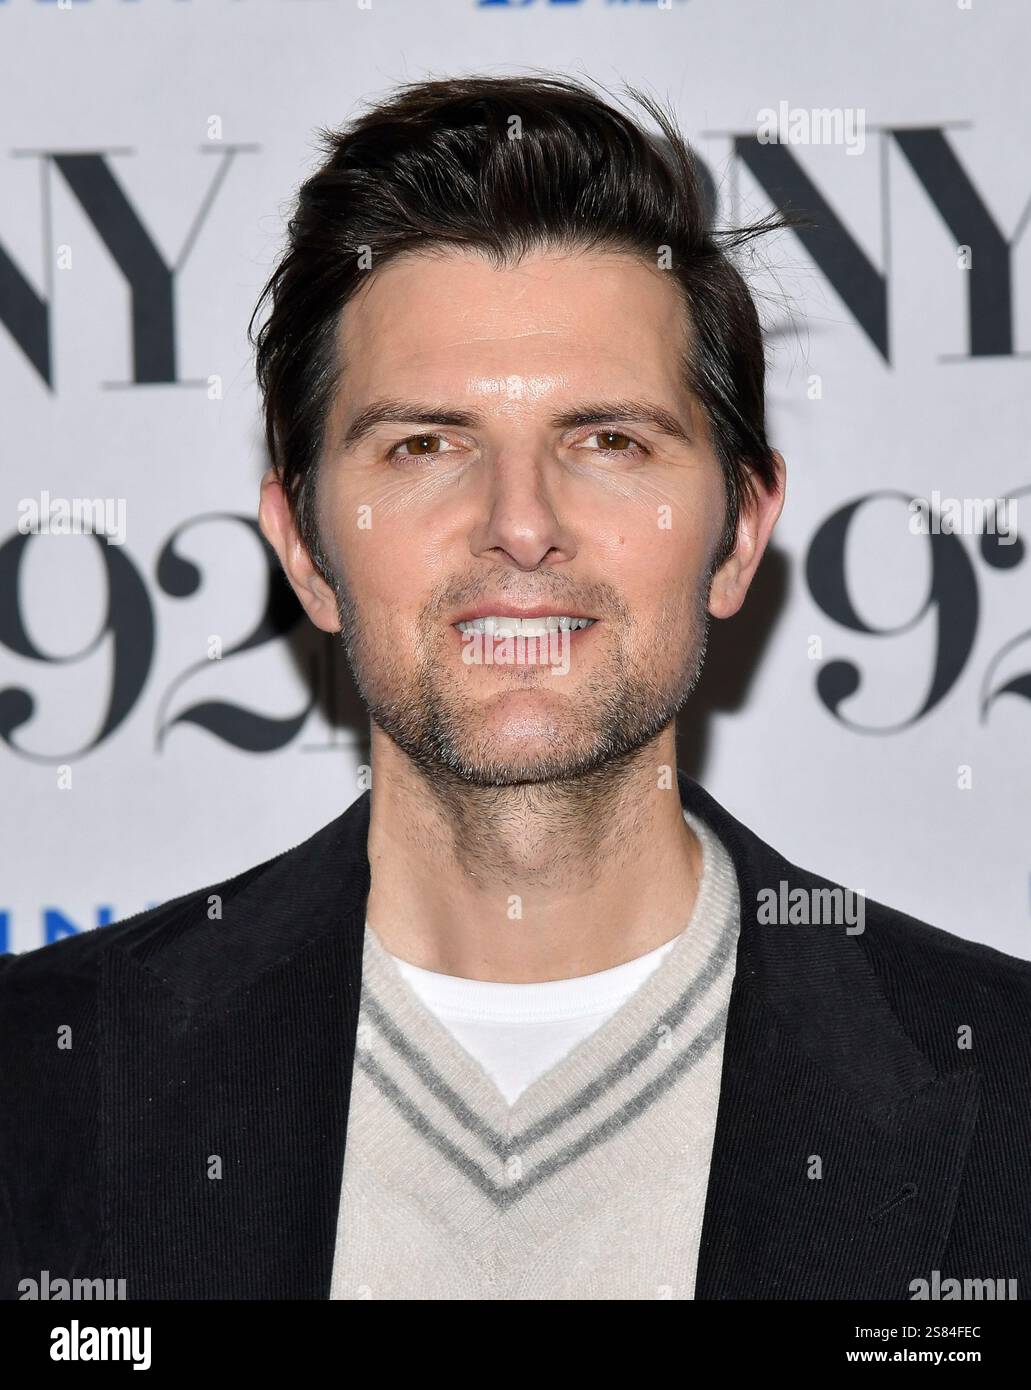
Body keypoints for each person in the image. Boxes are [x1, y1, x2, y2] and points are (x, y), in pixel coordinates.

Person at [2, 74, 1028, 1302]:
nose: (519, 525)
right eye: (424, 446)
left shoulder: (1003, 1082)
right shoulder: (41, 1080)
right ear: (302, 549)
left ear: (741, 534)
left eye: (607, 440)